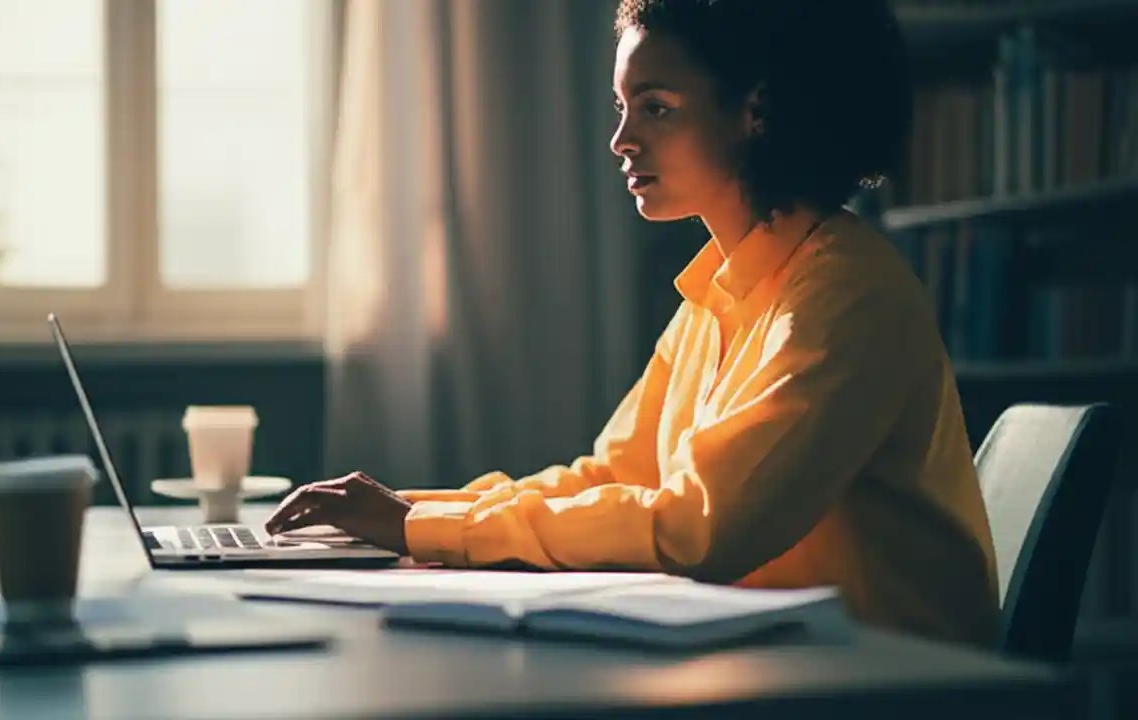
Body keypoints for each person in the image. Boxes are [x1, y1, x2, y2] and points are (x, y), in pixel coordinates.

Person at [266, 0, 999, 647]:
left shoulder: (847, 291)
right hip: (783, 658)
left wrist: (420, 531)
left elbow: (698, 529)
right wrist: (408, 509)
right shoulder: (722, 286)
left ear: (756, 109)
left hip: (887, 678)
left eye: (655, 108)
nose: (621, 139)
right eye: (622, 108)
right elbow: (616, 476)